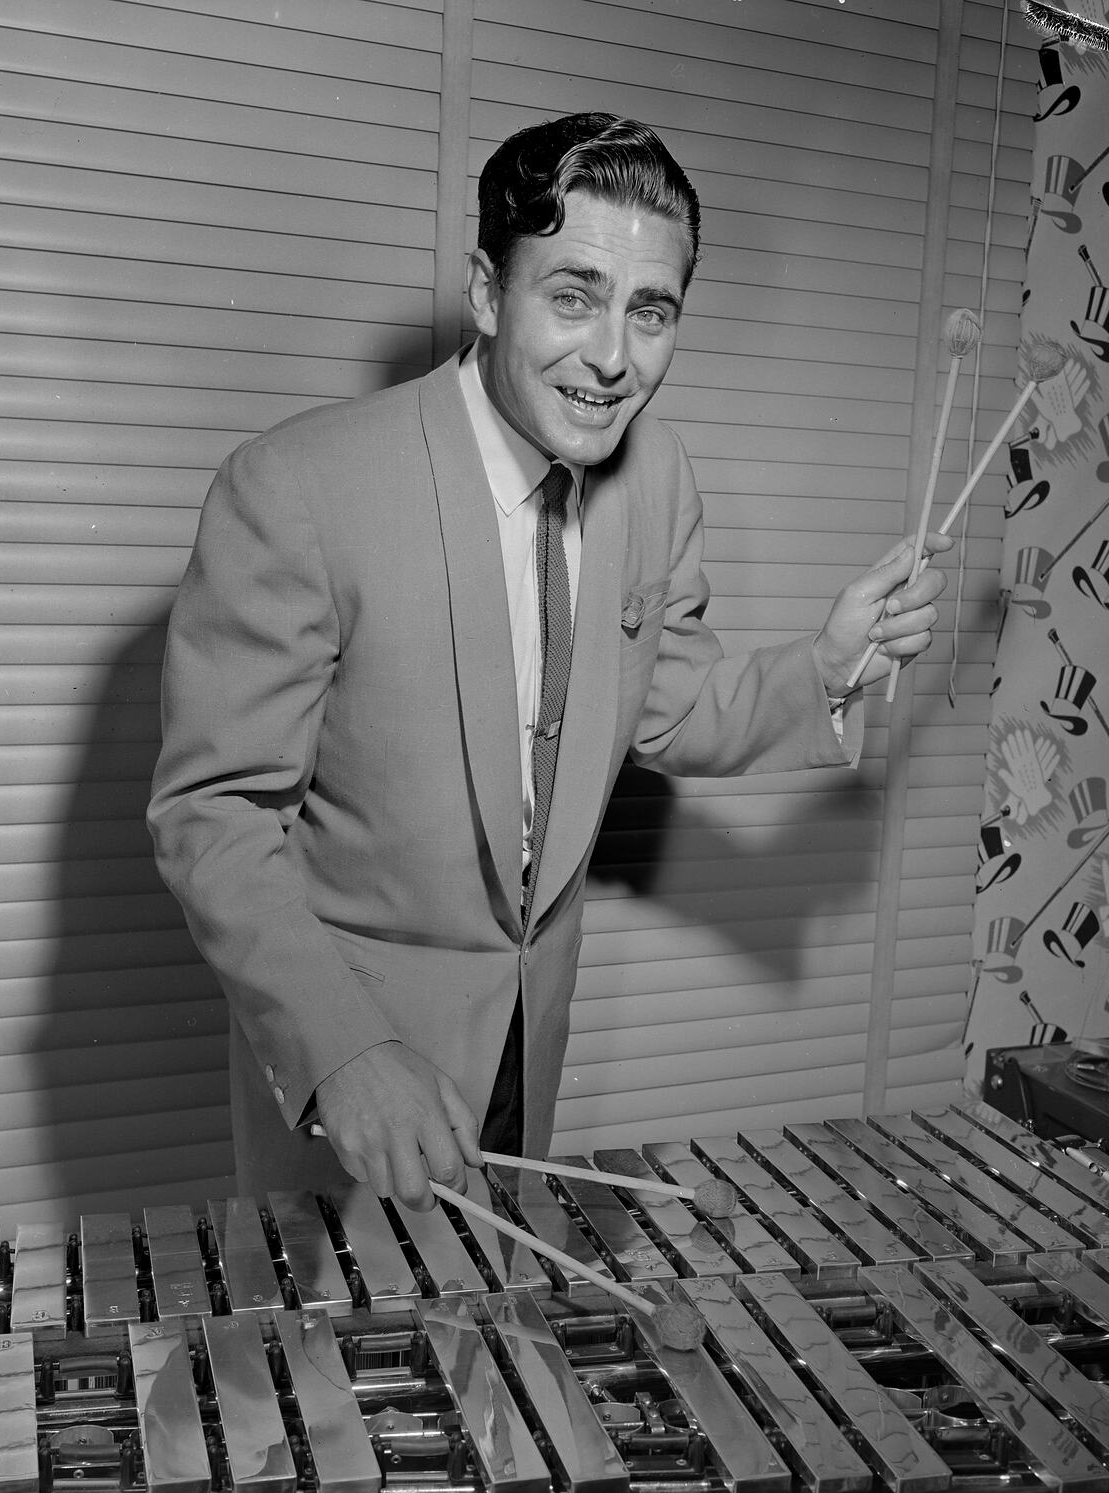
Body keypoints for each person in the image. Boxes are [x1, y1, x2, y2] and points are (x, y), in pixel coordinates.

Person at [148, 112, 949, 1212]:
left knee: (490, 1360)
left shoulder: (655, 478)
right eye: (571, 295)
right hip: (354, 1058)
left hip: (535, 1029)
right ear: (487, 292)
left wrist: (826, 663)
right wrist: (341, 1053)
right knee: (328, 1373)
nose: (613, 358)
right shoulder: (296, 486)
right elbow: (216, 815)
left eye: (649, 310)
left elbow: (662, 708)